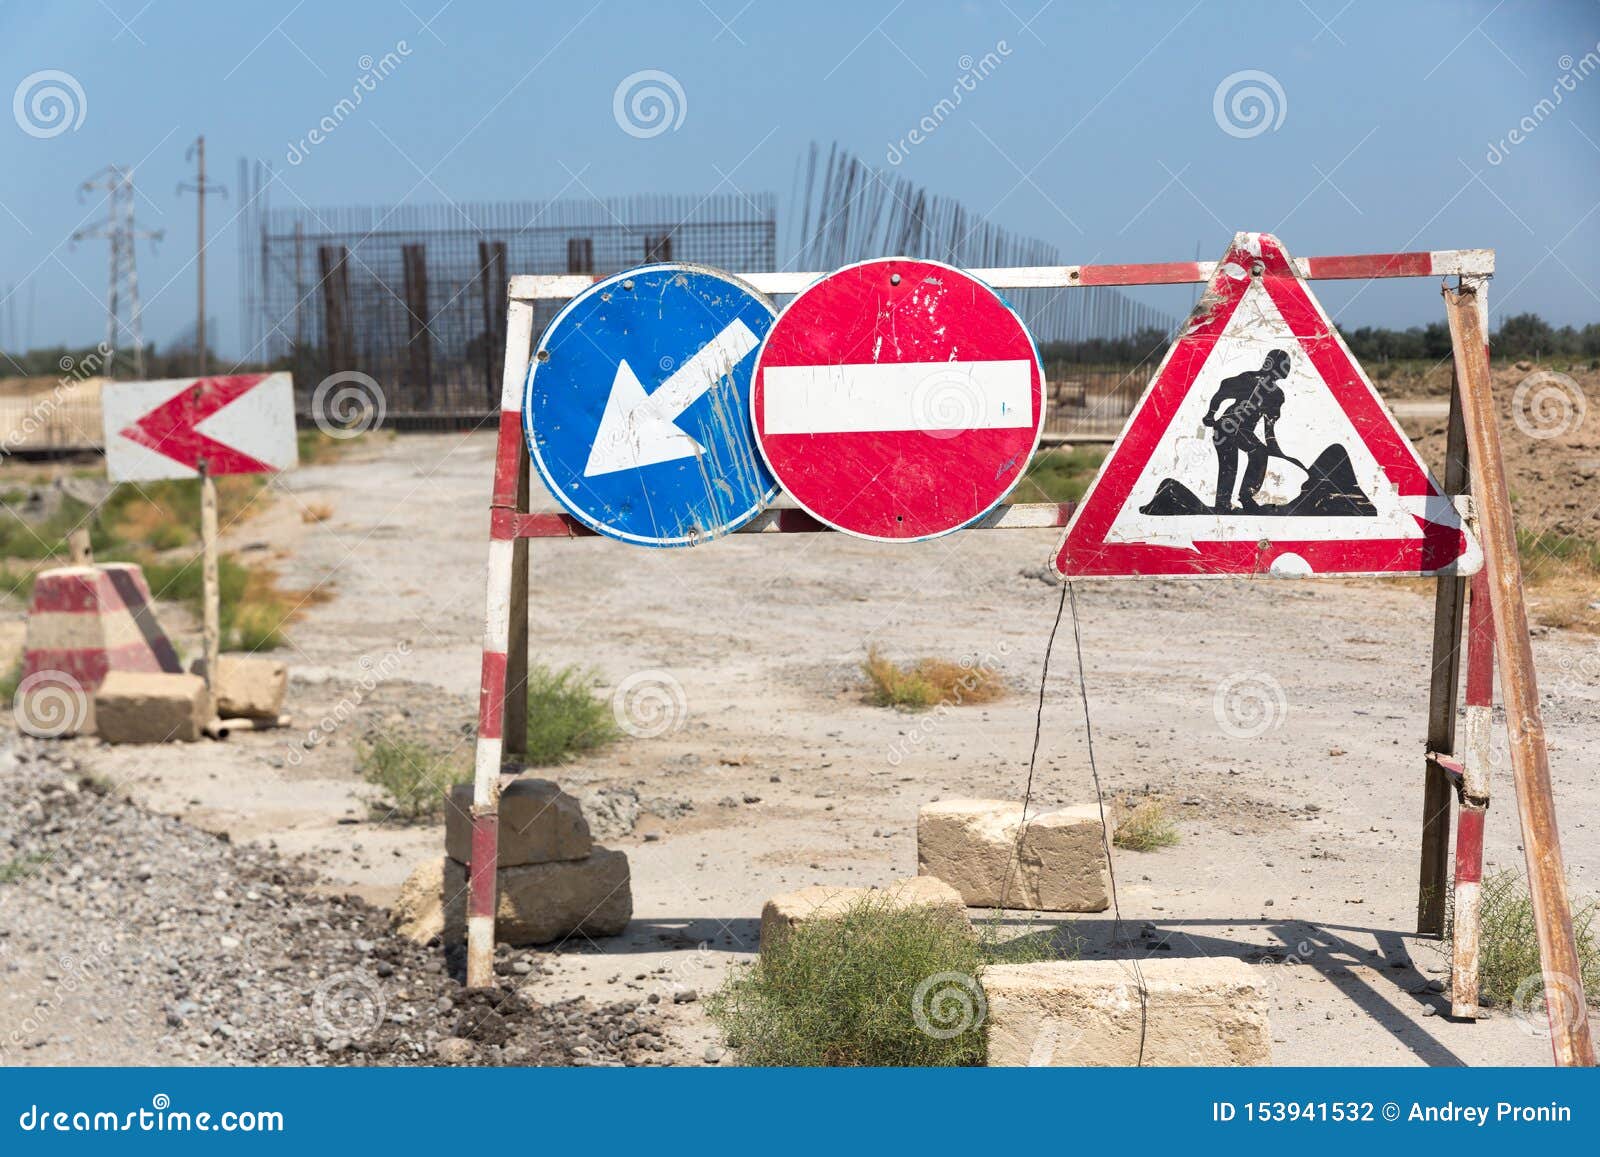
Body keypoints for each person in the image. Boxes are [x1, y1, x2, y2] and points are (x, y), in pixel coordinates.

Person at [1201, 348, 1291, 513]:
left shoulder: (1277, 395)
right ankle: (1228, 502)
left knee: (1258, 453)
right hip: (1226, 426)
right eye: (1284, 366)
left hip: (1241, 431)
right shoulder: (1248, 379)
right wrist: (1210, 415)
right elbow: (1222, 391)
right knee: (1232, 464)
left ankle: (1242, 497)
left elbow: (1269, 425)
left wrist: (1273, 446)